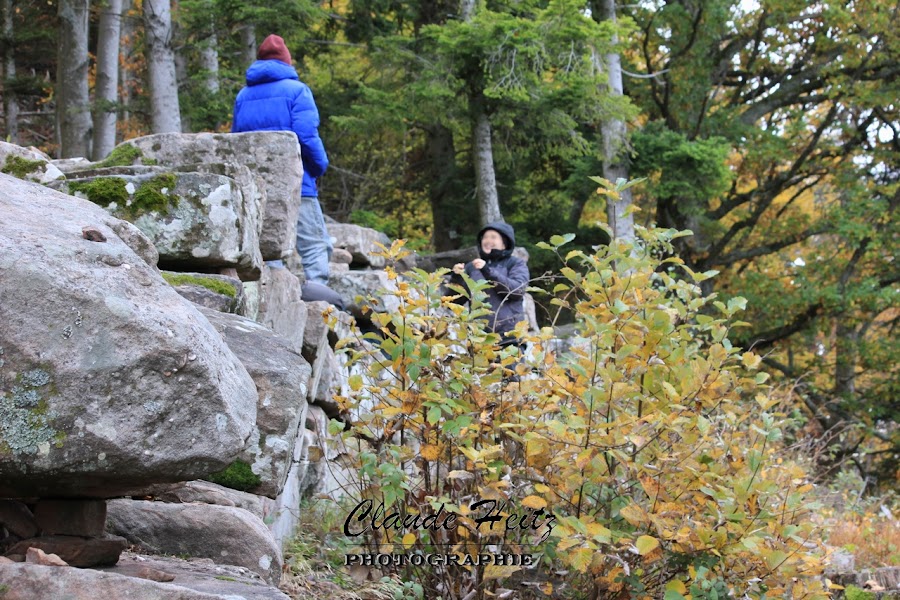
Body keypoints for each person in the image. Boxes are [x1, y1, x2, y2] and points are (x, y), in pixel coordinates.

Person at [232, 34, 332, 286]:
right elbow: (307, 136)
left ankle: (272, 296)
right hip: (297, 184)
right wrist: (319, 166)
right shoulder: (298, 91)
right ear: (287, 62)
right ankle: (321, 304)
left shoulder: (243, 95)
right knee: (314, 245)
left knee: (268, 246)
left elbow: (235, 141)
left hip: (255, 186)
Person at [449, 222, 530, 349]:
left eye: (493, 237)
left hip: (509, 339)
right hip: (479, 339)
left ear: (504, 243)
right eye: (485, 237)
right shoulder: (471, 267)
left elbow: (517, 291)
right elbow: (454, 303)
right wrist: (456, 277)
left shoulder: (515, 263)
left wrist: (487, 271)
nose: (487, 240)